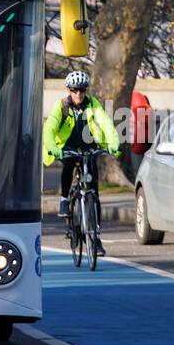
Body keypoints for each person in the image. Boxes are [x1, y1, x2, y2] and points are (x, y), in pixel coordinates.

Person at [43, 69, 119, 257]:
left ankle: (97, 238)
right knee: (68, 164)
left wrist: (113, 144)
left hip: (89, 146)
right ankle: (64, 199)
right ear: (69, 91)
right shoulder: (61, 106)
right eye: (75, 90)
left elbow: (106, 124)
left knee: (93, 191)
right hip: (67, 146)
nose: (78, 94)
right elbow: (50, 129)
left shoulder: (92, 104)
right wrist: (53, 147)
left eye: (82, 90)